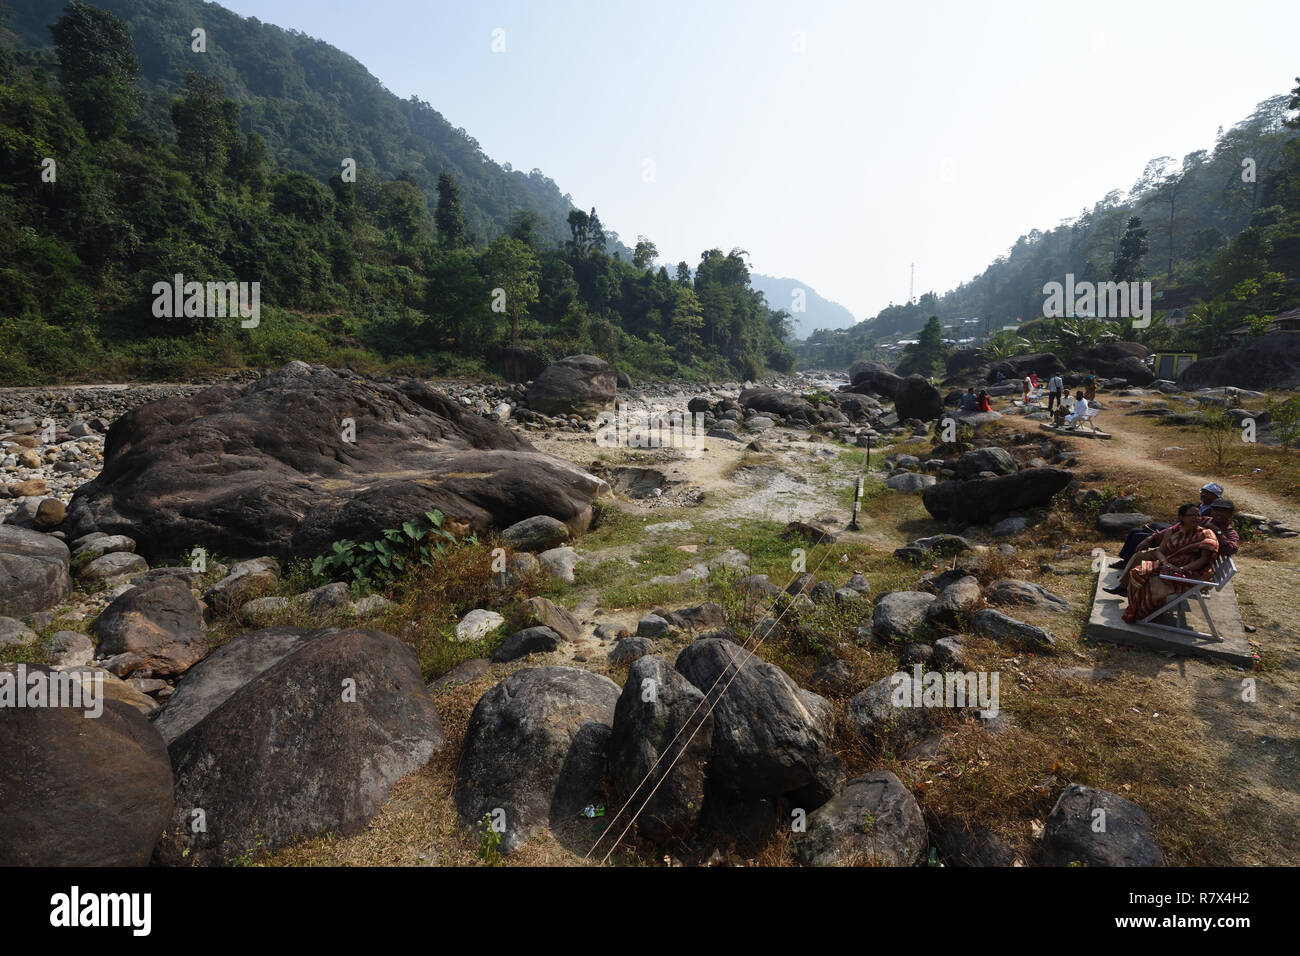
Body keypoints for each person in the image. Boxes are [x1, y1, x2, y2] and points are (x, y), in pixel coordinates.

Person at [1116, 503, 1219, 623]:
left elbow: (1203, 560)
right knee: (1138, 572)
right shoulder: (1172, 531)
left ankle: (1145, 611)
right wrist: (1165, 563)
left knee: (1146, 579)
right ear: (1182, 517)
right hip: (1168, 567)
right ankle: (1142, 608)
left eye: (1198, 515)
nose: (1197, 518)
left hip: (1190, 575)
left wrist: (1180, 569)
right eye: (1192, 515)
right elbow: (1161, 551)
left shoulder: (1206, 534)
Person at [1111, 482, 1225, 569]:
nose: (1204, 494)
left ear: (1216, 497)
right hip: (1175, 531)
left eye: (1209, 493)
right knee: (1135, 531)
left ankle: (1127, 564)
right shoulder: (1200, 505)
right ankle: (1125, 561)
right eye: (1203, 491)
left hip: (1178, 539)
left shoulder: (1212, 512)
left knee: (1139, 537)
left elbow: (1184, 527)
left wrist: (1153, 537)